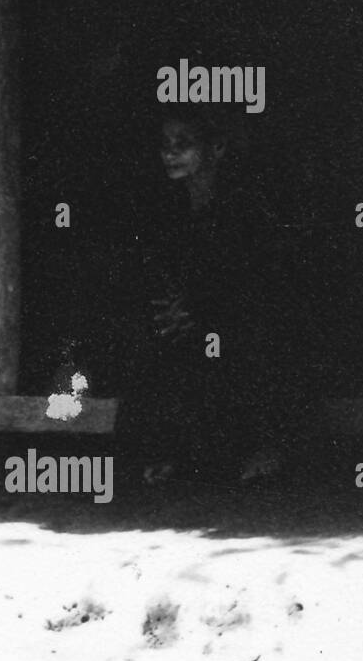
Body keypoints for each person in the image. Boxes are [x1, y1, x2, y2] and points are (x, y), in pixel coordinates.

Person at [115, 109, 293, 483]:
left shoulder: (244, 206)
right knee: (153, 342)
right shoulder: (170, 208)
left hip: (238, 320)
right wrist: (175, 312)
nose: (170, 154)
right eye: (165, 146)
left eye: (183, 145)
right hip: (190, 321)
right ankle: (172, 451)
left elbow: (259, 284)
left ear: (217, 149)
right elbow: (161, 273)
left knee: (248, 344)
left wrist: (201, 312)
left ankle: (265, 447)